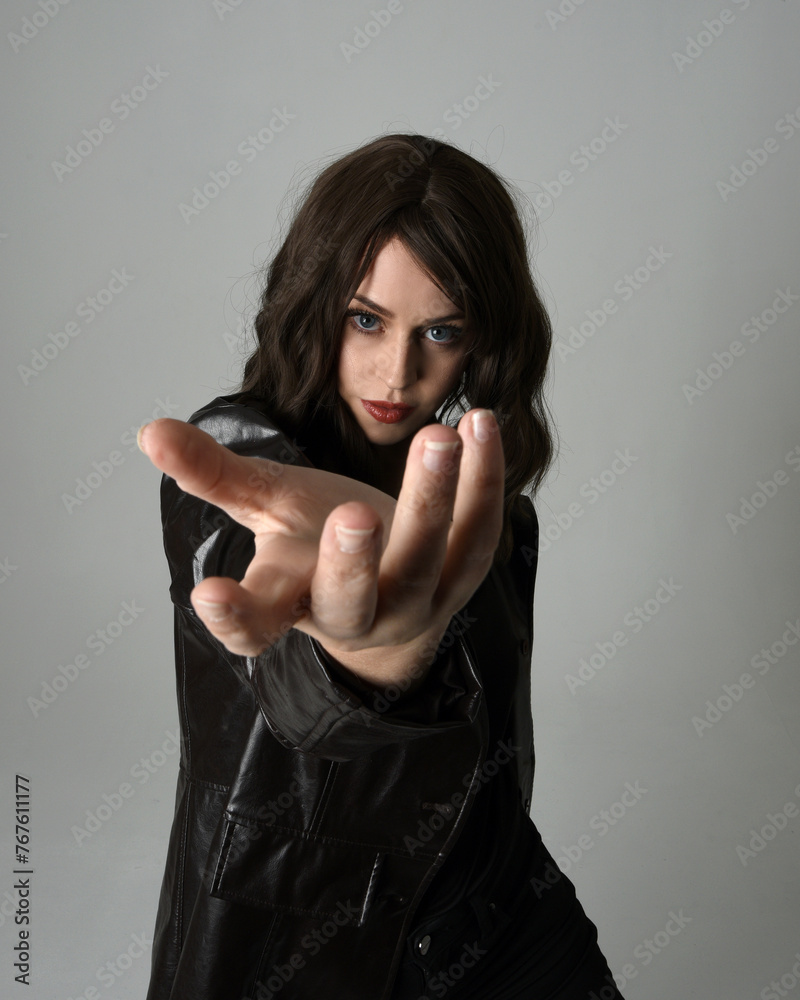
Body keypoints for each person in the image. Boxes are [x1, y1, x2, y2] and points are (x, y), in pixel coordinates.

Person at [137, 133, 625, 1000]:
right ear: (312, 300)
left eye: (440, 331)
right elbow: (294, 692)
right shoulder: (238, 461)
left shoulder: (486, 505)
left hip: (504, 916)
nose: (396, 372)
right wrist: (361, 664)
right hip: (317, 946)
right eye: (365, 319)